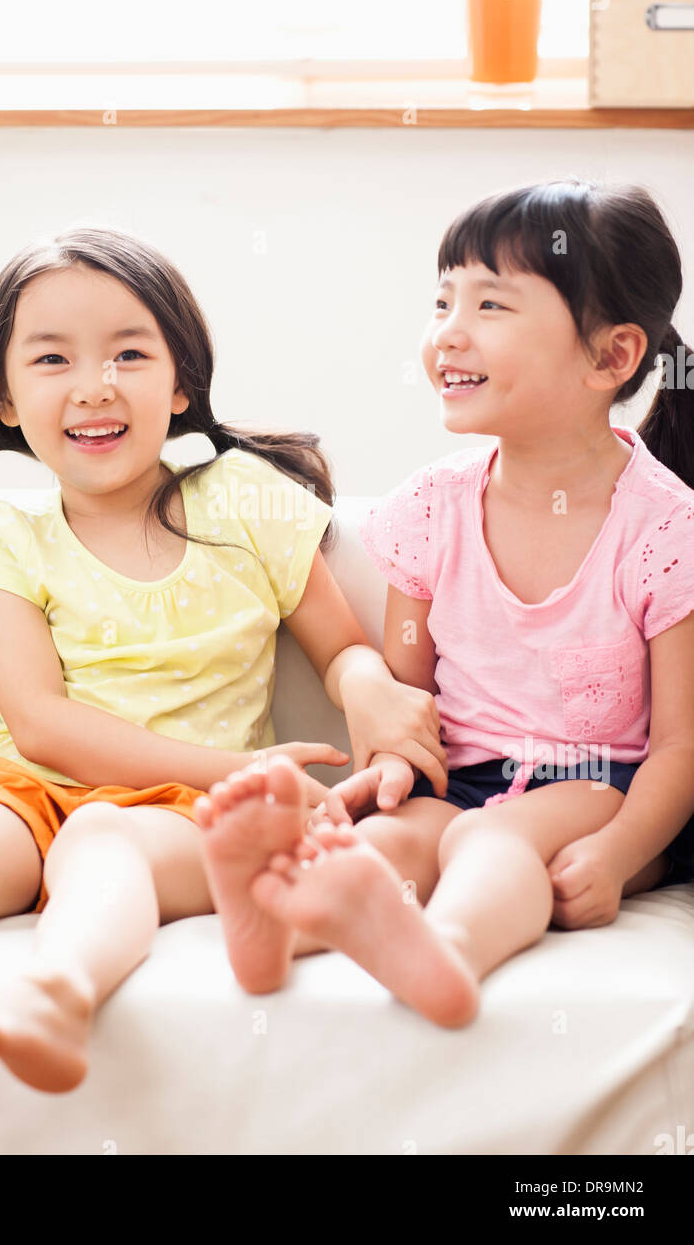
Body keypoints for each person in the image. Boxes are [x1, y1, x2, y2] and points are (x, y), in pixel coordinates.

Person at [0, 227, 447, 1090]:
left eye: (129, 353)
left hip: (191, 813)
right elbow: (42, 725)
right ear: (4, 399)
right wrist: (233, 764)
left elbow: (341, 644)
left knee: (102, 837)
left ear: (181, 382)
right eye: (52, 361)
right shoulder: (7, 536)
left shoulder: (244, 498)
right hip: (36, 788)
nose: (96, 387)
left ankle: (53, 998)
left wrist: (371, 689)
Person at [196, 179, 694, 1029]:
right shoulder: (432, 509)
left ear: (610, 358)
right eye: (442, 300)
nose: (446, 335)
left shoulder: (664, 527)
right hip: (457, 779)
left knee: (485, 844)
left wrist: (616, 856)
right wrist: (387, 770)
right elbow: (407, 694)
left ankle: (450, 953)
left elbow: (682, 745)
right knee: (382, 846)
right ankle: (278, 924)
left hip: (596, 789)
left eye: (492, 304)